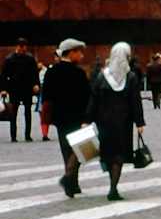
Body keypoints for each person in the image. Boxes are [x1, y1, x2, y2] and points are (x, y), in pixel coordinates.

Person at [84, 42, 146, 201]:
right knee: (119, 155)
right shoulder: (130, 77)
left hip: (104, 123)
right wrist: (139, 122)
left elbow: (93, 100)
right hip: (123, 123)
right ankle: (113, 188)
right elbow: (135, 101)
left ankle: (111, 180)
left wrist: (87, 120)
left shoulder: (101, 76)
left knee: (108, 153)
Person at [41, 39, 92, 197]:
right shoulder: (79, 73)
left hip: (60, 118)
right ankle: (70, 179)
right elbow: (87, 97)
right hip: (78, 117)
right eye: (79, 52)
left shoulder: (51, 71)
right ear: (71, 52)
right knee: (79, 150)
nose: (81, 55)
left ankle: (72, 183)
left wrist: (48, 117)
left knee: (67, 149)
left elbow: (46, 96)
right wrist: (88, 116)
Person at [2, 37, 40, 142]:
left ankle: (27, 135)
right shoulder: (9, 59)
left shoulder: (29, 59)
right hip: (14, 89)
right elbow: (4, 76)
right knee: (13, 113)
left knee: (28, 112)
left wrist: (36, 84)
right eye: (22, 47)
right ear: (18, 46)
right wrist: (3, 89)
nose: (24, 49)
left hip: (27, 88)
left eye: (25, 47)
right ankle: (13, 136)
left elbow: (34, 73)